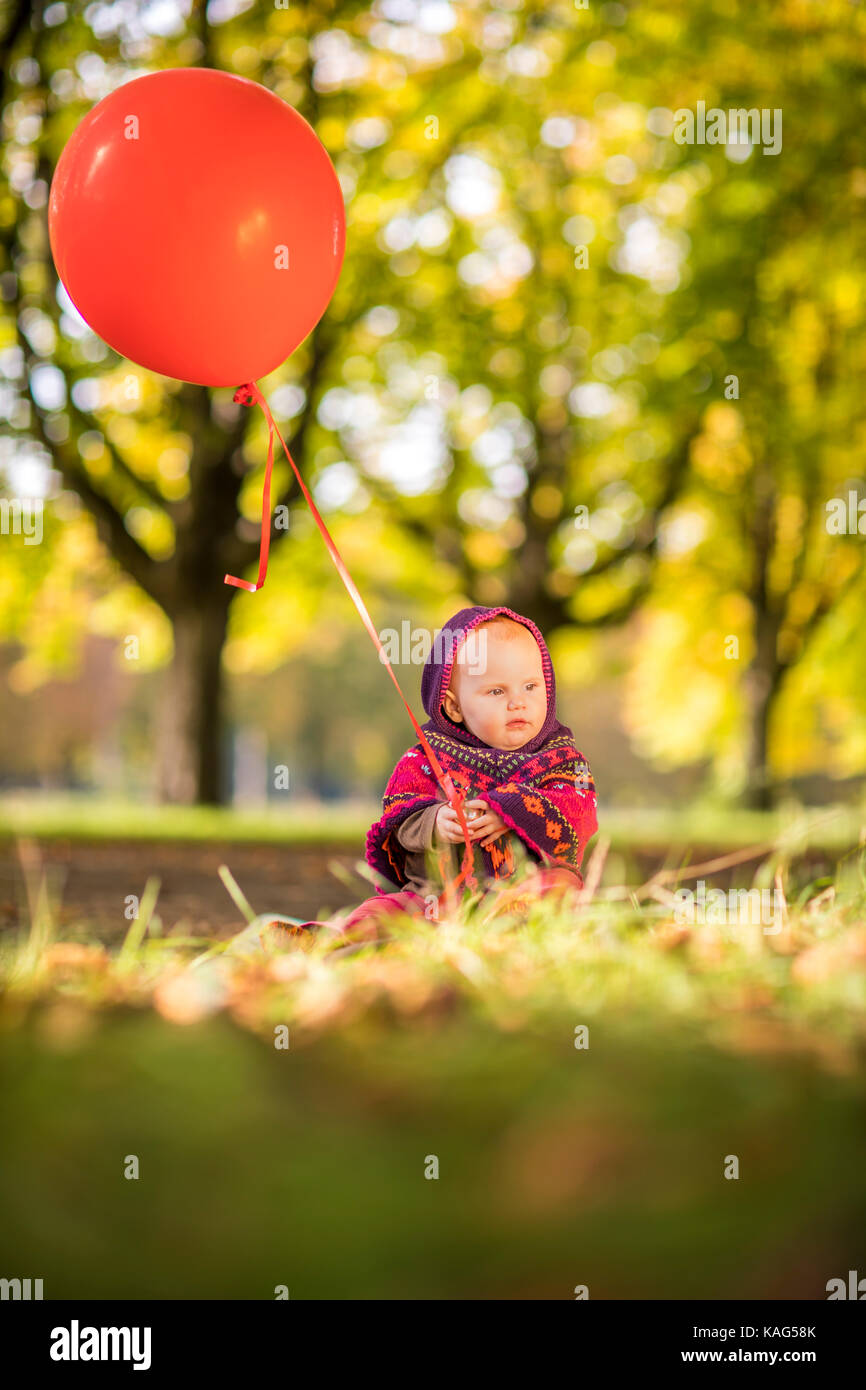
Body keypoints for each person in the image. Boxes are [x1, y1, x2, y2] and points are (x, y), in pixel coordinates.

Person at [287, 604, 598, 944]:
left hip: (518, 892)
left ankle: (512, 931)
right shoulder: (427, 757)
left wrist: (511, 812)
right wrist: (434, 821)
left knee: (559, 886)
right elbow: (399, 817)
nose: (518, 702)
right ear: (454, 707)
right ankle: (329, 941)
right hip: (435, 899)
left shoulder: (559, 758)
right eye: (497, 691)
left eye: (531, 686)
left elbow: (579, 810)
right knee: (384, 909)